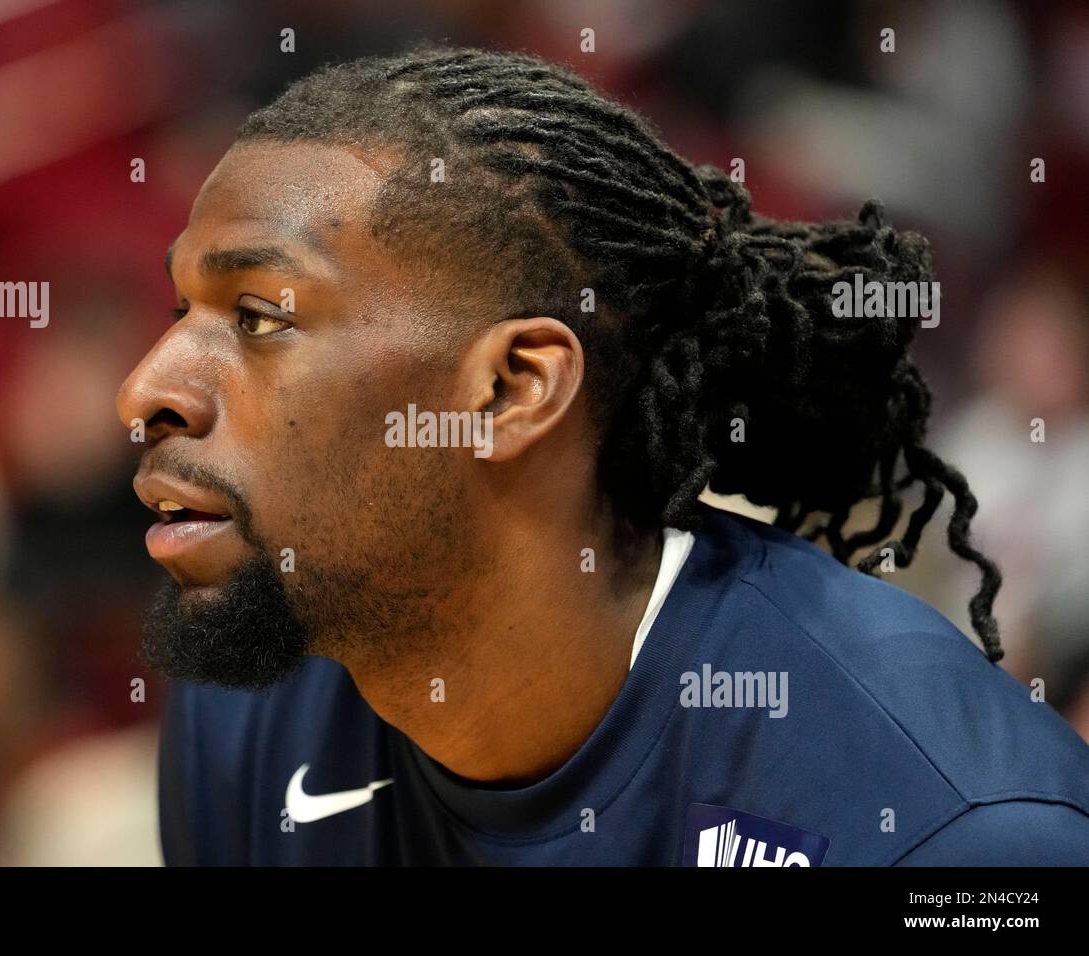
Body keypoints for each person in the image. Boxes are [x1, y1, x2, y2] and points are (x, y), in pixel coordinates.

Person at [115, 45, 1089, 865]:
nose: (147, 387)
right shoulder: (249, 708)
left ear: (509, 389)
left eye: (258, 317)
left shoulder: (944, 830)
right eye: (178, 311)